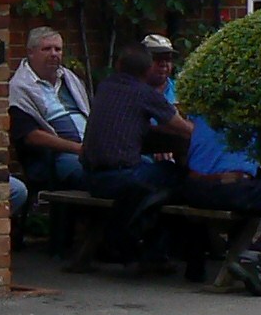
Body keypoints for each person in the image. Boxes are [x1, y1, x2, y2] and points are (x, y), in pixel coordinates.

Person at [76, 33, 191, 263]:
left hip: (89, 177)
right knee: (179, 177)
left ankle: (145, 247)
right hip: (122, 179)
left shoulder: (106, 86)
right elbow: (186, 130)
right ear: (148, 70)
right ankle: (158, 250)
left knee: (156, 181)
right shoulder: (145, 94)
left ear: (118, 65)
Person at [174, 116, 261, 295]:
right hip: (231, 186)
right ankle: (258, 259)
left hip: (193, 188)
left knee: (252, 200)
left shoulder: (201, 108)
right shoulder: (256, 111)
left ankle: (197, 265)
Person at [6, 26, 91, 227]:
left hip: (89, 148)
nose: (54, 54)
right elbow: (31, 136)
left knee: (135, 164)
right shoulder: (20, 88)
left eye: (58, 49)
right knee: (104, 178)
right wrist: (77, 148)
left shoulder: (70, 79)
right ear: (30, 52)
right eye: (47, 49)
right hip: (54, 157)